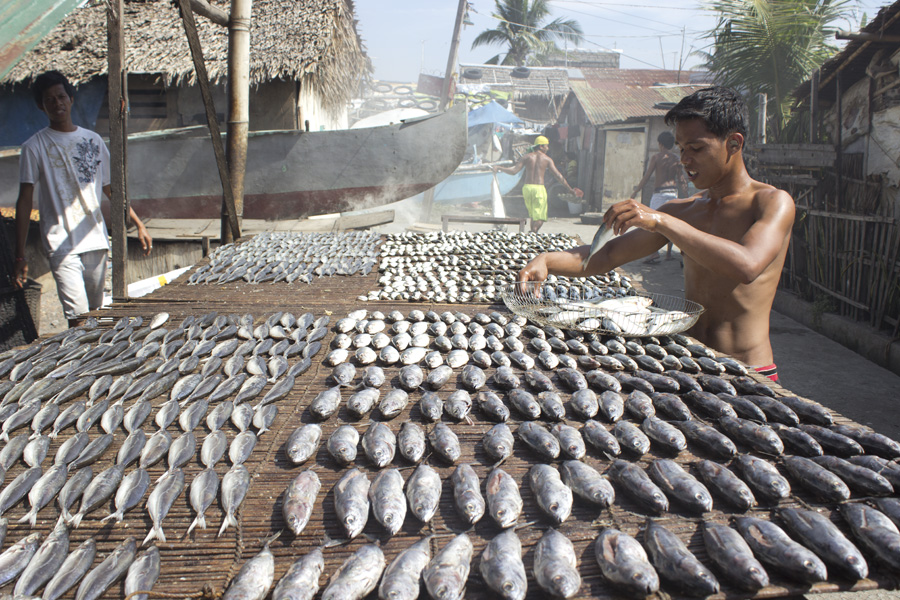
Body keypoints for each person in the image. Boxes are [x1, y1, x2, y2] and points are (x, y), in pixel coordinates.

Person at [518, 87, 794, 381]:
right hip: (690, 363)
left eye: (696, 148)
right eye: (681, 148)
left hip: (750, 370)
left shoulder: (771, 202)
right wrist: (547, 260)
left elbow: (746, 265)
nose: (685, 160)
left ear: (734, 144)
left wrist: (662, 221)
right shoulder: (684, 211)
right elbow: (608, 254)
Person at [13, 70, 153, 328]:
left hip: (96, 240)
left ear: (71, 99)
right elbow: (24, 201)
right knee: (77, 320)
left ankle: (98, 364)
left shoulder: (93, 140)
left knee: (96, 314)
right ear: (41, 106)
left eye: (61, 96)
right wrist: (20, 256)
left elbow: (111, 189)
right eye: (50, 100)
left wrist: (137, 223)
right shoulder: (34, 147)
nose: (57, 104)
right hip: (61, 244)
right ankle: (78, 367)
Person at [493, 135, 582, 233]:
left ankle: (532, 234)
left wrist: (500, 168)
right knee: (541, 216)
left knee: (533, 215)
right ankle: (533, 231)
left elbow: (514, 171)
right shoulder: (547, 159)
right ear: (541, 146)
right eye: (546, 146)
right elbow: (558, 176)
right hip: (538, 189)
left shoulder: (526, 157)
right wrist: (569, 189)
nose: (548, 148)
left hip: (527, 189)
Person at [631, 131, 687, 263]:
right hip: (673, 193)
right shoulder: (676, 159)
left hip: (659, 194)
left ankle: (654, 253)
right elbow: (681, 179)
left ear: (660, 144)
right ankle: (668, 254)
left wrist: (636, 191)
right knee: (670, 224)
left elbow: (647, 176)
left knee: (652, 224)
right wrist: (686, 197)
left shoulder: (656, 157)